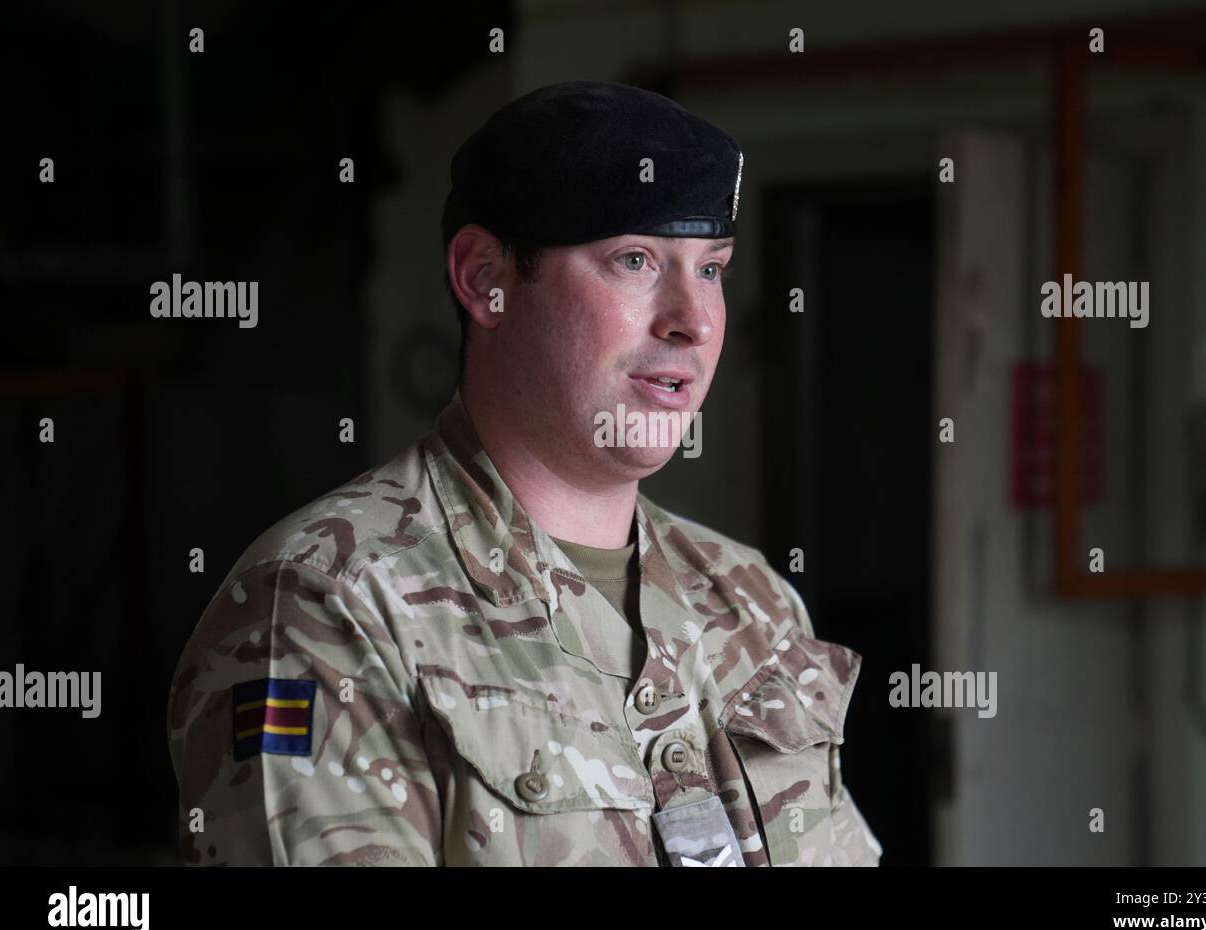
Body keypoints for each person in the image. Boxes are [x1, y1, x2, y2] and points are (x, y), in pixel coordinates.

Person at [167, 79, 883, 866]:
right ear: (485, 278)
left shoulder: (753, 601)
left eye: (711, 267)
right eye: (636, 259)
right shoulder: (327, 605)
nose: (695, 318)